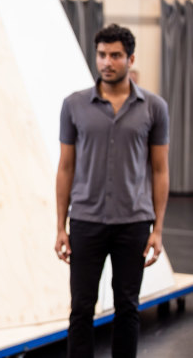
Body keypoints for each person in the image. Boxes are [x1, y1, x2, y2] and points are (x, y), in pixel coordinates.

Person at [54, 24, 170, 358]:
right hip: (86, 222)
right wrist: (61, 226)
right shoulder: (73, 105)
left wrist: (158, 229)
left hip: (134, 223)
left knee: (128, 308)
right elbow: (65, 168)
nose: (107, 62)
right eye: (102, 54)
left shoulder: (154, 108)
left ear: (130, 58)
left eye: (116, 55)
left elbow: (160, 170)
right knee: (81, 310)